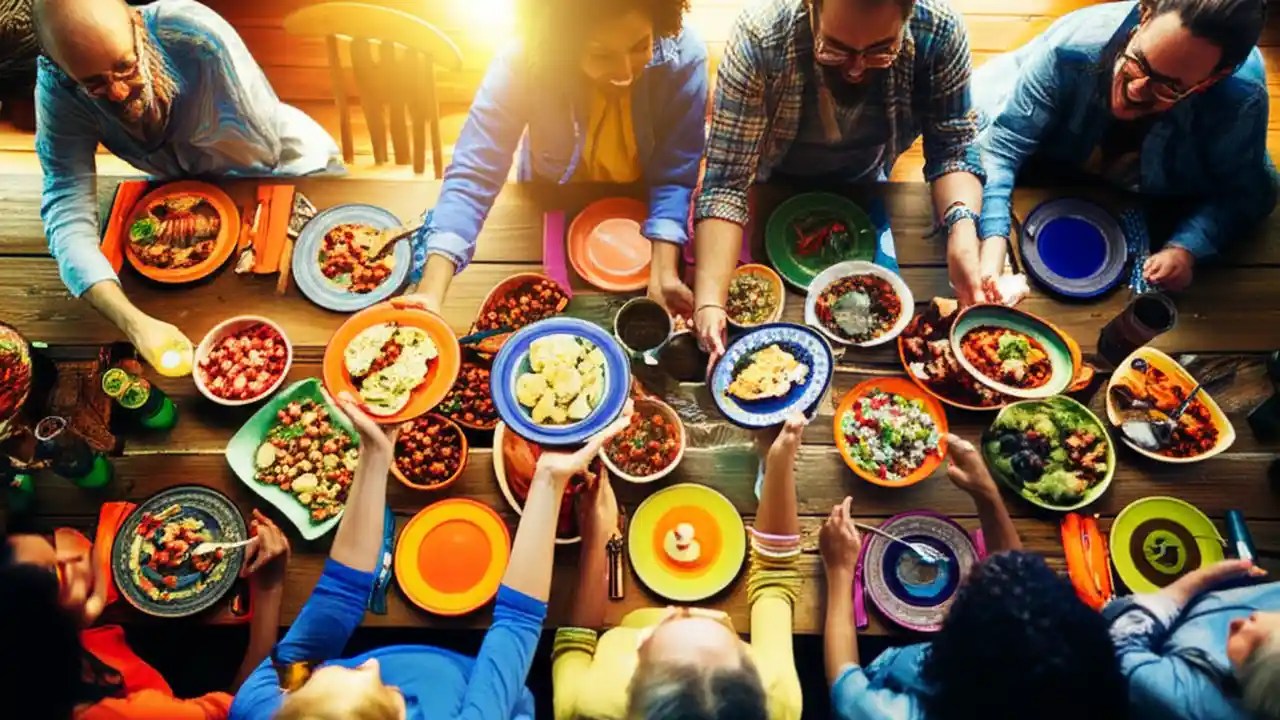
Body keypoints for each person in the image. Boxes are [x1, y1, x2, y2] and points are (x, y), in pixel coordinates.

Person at [231, 395, 634, 720]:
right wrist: (549, 479)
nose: (370, 664)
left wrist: (375, 455)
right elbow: (517, 623)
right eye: (378, 686)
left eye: (342, 668)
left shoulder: (266, 705)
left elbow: (339, 593)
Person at [34, 0, 342, 371]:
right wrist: (134, 322)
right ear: (60, 68)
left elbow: (251, 148)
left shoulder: (193, 34)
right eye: (94, 84)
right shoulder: (58, 86)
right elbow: (65, 205)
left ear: (137, 25)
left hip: (285, 169)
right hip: (195, 205)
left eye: (124, 67)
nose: (116, 93)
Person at [692, 0, 988, 365]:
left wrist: (961, 228)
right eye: (835, 49)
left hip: (867, 183)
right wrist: (708, 303)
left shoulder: (939, 33)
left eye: (881, 51)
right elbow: (726, 181)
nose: (855, 69)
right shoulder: (761, 37)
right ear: (810, 7)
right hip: (769, 184)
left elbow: (953, 149)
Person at [402, 0, 708, 316]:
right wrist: (430, 292)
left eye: (640, 46)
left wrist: (665, 271)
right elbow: (475, 171)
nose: (624, 74)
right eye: (601, 55)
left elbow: (675, 173)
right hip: (554, 192)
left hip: (647, 197)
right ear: (563, 46)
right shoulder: (523, 62)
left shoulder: (684, 59)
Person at [974, 0, 1276, 294]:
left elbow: (1247, 192)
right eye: (1139, 61)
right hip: (1048, 155)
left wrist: (1187, 247)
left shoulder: (1241, 100)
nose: (1136, 89)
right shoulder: (1070, 48)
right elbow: (1002, 146)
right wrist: (993, 240)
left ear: (1213, 79)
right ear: (1143, 15)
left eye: (1169, 87)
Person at [820, 434, 1128, 720]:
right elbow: (1016, 582)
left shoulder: (898, 712)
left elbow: (845, 687)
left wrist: (839, 571)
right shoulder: (1076, 678)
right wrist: (988, 496)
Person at [553, 412, 810, 720]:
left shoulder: (588, 702)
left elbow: (575, 638)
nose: (677, 609)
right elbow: (775, 574)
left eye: (649, 641)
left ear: (630, 694)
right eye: (732, 640)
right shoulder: (779, 698)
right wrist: (776, 461)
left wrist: (597, 541)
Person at [0, 508, 291, 720]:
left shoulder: (32, 651)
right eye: (55, 573)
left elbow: (68, 541)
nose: (73, 557)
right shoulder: (134, 714)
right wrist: (268, 589)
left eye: (47, 541)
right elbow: (248, 706)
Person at [1106, 559, 1280, 720]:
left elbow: (1117, 645)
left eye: (1256, 647)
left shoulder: (1189, 703)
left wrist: (1198, 581)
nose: (1237, 621)